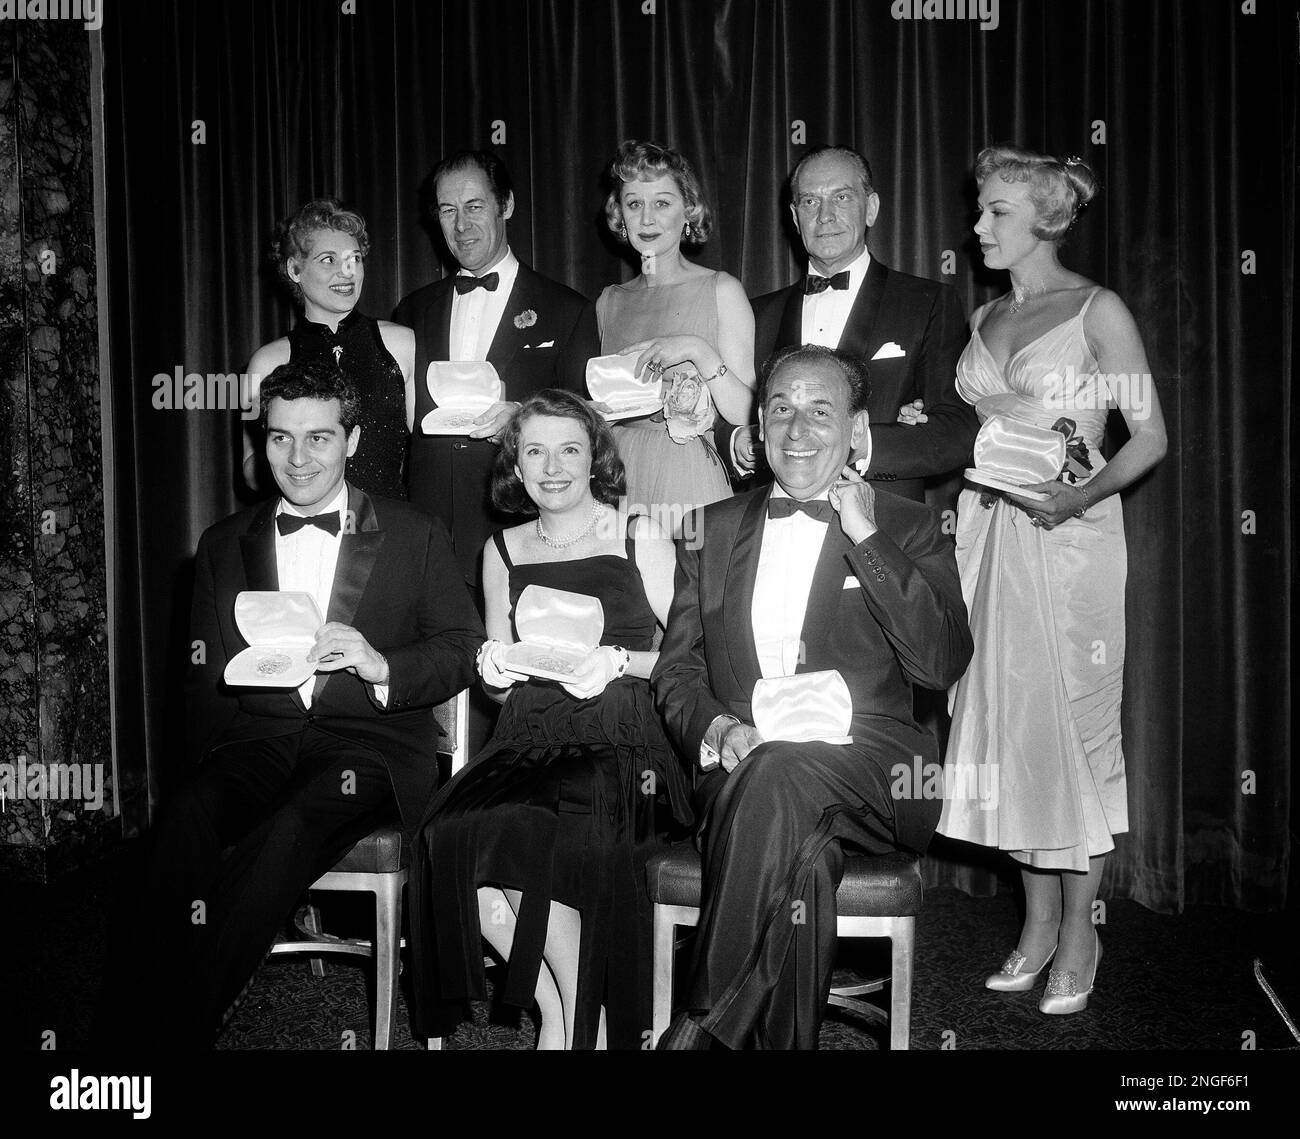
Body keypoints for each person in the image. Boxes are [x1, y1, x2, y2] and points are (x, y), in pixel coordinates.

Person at [129, 361, 483, 1046]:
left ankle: (163, 1036)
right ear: (261, 442)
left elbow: (464, 646)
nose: (297, 458)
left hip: (366, 745)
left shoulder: (414, 531)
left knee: (291, 823)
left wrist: (383, 665)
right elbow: (199, 683)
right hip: (257, 740)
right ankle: (138, 1025)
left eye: (319, 438)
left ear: (352, 440)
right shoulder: (224, 542)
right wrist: (200, 777)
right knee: (184, 819)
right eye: (280, 438)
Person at [651, 344, 973, 1049]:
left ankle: (702, 1024)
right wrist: (720, 729)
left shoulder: (910, 525)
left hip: (878, 766)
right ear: (760, 429)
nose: (798, 430)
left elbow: (941, 662)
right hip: (744, 771)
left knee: (782, 773)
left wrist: (866, 535)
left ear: (857, 431)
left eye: (820, 411)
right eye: (781, 410)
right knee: (804, 861)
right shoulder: (709, 527)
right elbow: (675, 675)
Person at [934, 146, 1167, 1014]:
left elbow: (1149, 437)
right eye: (981, 210)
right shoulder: (988, 314)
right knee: (1004, 727)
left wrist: (1077, 499)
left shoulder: (1097, 309)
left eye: (996, 212)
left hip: (1068, 539)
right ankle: (1034, 925)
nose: (979, 225)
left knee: (1070, 728)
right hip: (993, 534)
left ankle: (1081, 931)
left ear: (1045, 217)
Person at [409, 389, 692, 1050]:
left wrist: (618, 660)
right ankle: (569, 1008)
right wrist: (493, 672)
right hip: (529, 733)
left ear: (595, 456)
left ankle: (571, 1028)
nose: (553, 464)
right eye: (535, 449)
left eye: (570, 448)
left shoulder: (635, 530)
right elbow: (504, 684)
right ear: (516, 461)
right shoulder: (501, 550)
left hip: (625, 739)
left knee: (549, 825)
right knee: (449, 834)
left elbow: (687, 658)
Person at [395, 150, 600, 586]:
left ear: (505, 205)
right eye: (448, 211)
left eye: (474, 207)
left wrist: (525, 418)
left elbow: (589, 418)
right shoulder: (411, 311)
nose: (462, 226)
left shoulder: (568, 310)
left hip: (518, 525)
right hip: (424, 532)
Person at [729, 146, 976, 501]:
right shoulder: (756, 312)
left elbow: (958, 431)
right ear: (795, 217)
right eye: (811, 202)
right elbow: (731, 415)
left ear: (871, 208)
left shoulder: (928, 302)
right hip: (773, 515)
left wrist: (864, 445)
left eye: (841, 197)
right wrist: (740, 437)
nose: (825, 216)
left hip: (883, 519)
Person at [597, 139, 755, 528]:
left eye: (662, 203)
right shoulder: (608, 302)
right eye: (634, 204)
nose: (647, 219)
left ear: (689, 211)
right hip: (618, 475)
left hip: (688, 474)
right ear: (620, 216)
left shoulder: (722, 290)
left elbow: (747, 412)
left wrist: (698, 351)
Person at [245, 199, 414, 500]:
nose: (347, 272)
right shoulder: (266, 363)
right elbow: (250, 469)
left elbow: (430, 454)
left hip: (391, 529)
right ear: (294, 269)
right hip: (305, 531)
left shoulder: (403, 345)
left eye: (355, 259)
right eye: (328, 260)